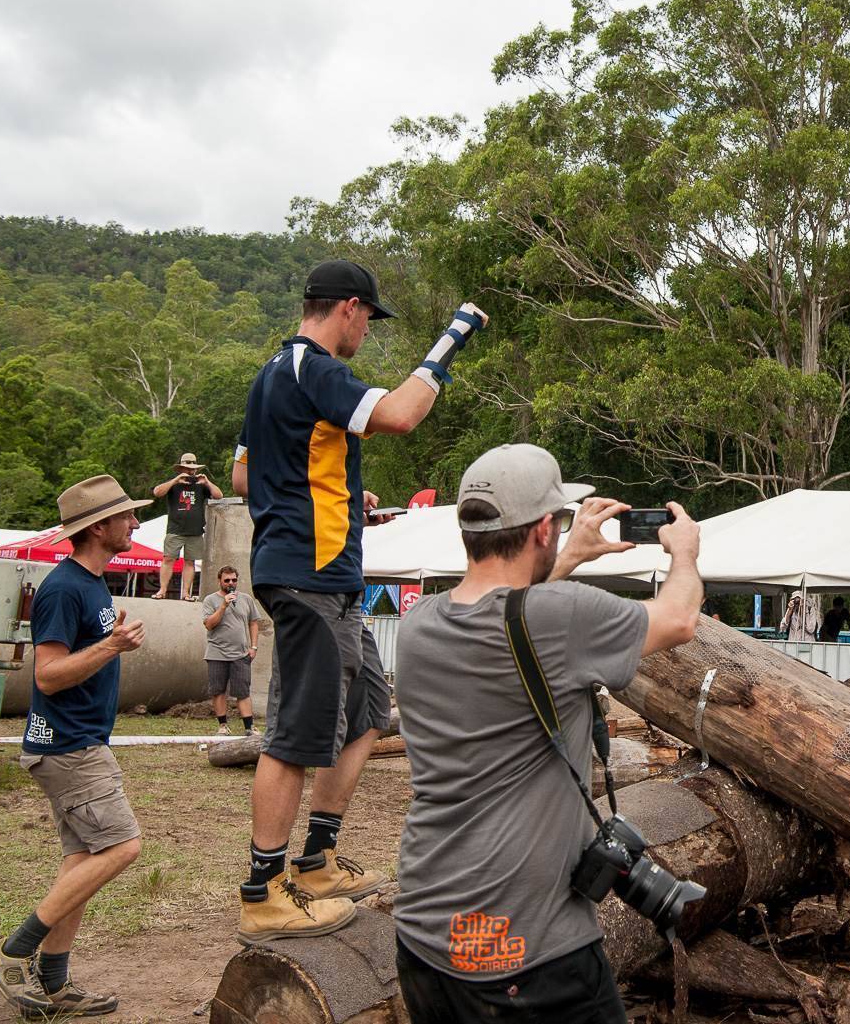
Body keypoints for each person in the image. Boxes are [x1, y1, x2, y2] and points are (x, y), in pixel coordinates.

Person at [392, 443, 703, 1023]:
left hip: (424, 936)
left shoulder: (419, 626)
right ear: (543, 529)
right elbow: (679, 618)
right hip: (525, 951)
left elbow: (507, 612)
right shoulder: (564, 615)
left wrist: (566, 558)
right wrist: (684, 554)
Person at [230, 259, 488, 943]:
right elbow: (401, 414)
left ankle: (316, 859)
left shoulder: (275, 375)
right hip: (308, 575)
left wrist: (340, 497)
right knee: (293, 737)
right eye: (369, 320)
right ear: (347, 308)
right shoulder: (312, 367)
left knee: (371, 710)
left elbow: (247, 468)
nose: (367, 333)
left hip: (329, 572)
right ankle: (262, 889)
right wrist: (451, 340)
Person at [0, 475, 151, 1018]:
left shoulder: (95, 584)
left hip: (80, 741)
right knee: (123, 848)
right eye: (125, 516)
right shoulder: (62, 589)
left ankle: (54, 986)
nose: (134, 523)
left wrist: (108, 643)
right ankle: (12, 953)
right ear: (98, 526)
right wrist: (111, 646)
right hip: (68, 747)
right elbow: (49, 676)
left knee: (81, 861)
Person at [150, 453, 222, 601]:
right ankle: (162, 590)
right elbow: (157, 492)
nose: (191, 472)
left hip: (195, 531)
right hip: (175, 529)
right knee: (168, 559)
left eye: (193, 469)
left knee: (190, 562)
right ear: (181, 468)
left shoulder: (201, 486)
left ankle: (186, 593)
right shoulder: (173, 484)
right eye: (187, 469)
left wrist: (207, 482)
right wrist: (176, 480)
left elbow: (219, 495)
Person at [202, 566, 261, 736]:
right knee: (218, 690)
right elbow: (208, 624)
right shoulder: (210, 600)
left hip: (241, 653)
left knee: (243, 691)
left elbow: (254, 622)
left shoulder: (246, 599)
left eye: (234, 580)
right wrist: (223, 606)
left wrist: (254, 646)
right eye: (227, 580)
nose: (231, 583)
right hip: (216, 652)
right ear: (219, 580)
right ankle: (222, 726)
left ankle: (249, 727)